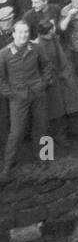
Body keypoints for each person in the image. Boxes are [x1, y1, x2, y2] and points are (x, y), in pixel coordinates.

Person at [0, 19, 52, 178]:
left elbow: (47, 65)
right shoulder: (4, 54)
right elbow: (1, 79)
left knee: (42, 126)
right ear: (13, 34)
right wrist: (10, 94)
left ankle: (46, 158)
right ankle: (7, 167)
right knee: (16, 132)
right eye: (20, 32)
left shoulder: (36, 48)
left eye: (26, 32)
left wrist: (43, 83)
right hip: (18, 97)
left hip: (37, 93)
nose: (23, 35)